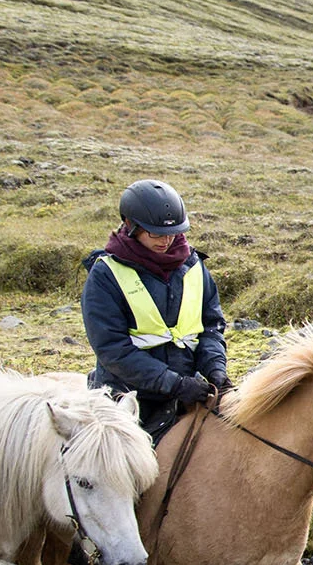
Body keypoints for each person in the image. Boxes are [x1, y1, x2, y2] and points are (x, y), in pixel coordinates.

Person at [83, 179, 229, 443]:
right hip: (128, 396)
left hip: (189, 389)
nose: (167, 241)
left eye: (173, 233)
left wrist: (215, 368)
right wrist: (173, 383)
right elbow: (112, 349)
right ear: (130, 226)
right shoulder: (105, 274)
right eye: (156, 234)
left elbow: (212, 326)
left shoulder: (195, 266)